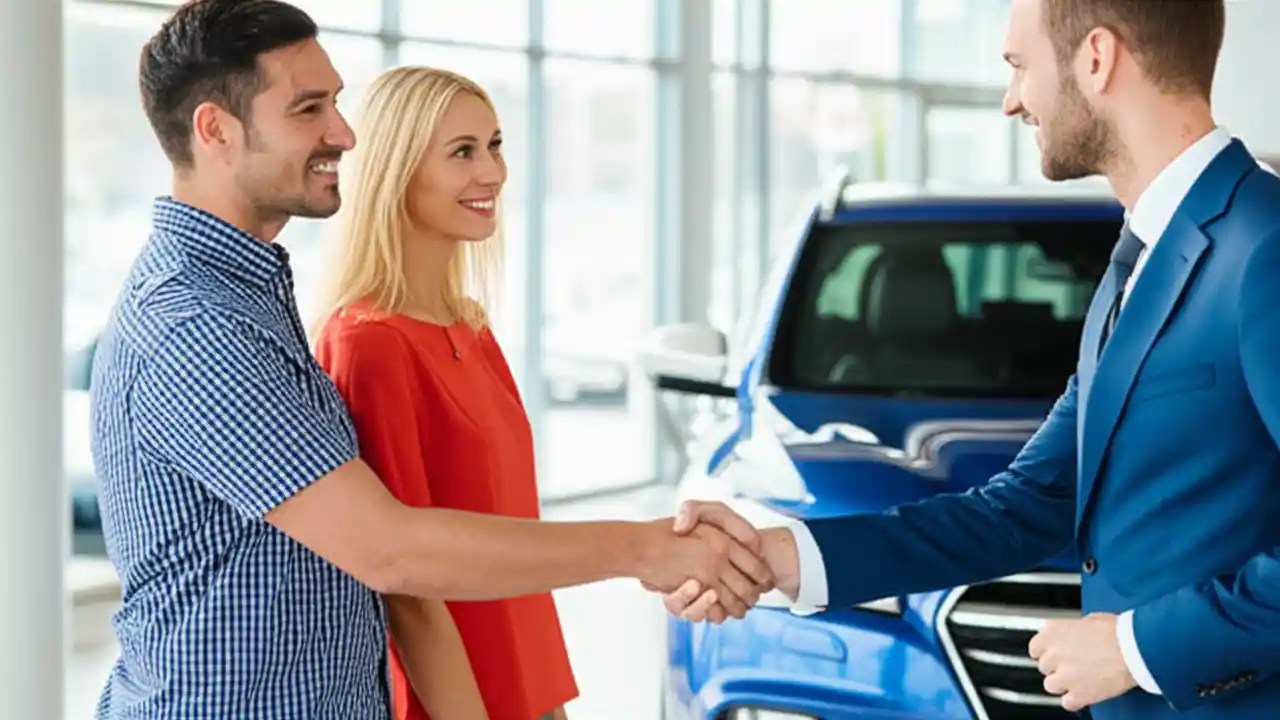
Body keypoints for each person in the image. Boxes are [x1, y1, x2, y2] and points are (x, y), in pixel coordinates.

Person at [90, 2, 770, 717]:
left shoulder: (248, 293)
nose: (345, 134)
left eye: (338, 104)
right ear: (215, 131)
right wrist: (645, 549)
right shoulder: (197, 326)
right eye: (308, 108)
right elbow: (391, 554)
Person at [667, 1, 1280, 718]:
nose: (1011, 99)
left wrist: (1136, 649)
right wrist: (782, 556)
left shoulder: (1263, 246)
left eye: (1020, 66)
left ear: (1096, 57)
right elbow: (1022, 506)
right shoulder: (1137, 263)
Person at [312, 66, 575, 720]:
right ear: (397, 170)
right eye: (462, 152)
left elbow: (516, 535)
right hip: (457, 701)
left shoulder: (472, 329)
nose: (493, 172)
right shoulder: (368, 344)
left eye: (494, 145)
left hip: (532, 683)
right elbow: (408, 589)